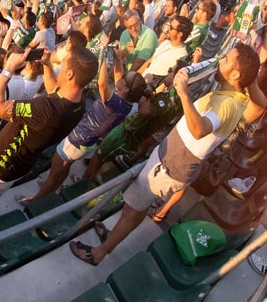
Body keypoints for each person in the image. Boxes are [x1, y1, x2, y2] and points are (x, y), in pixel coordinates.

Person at [73, 44, 264, 265]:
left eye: (227, 60)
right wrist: (249, 80)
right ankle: (111, 238)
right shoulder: (236, 97)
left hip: (170, 165)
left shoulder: (228, 104)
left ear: (235, 74)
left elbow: (199, 129)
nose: (220, 60)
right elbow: (260, 102)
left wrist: (183, 93)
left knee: (132, 208)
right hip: (172, 162)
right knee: (137, 207)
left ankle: (99, 252)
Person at [0, 45, 99, 229]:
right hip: (19, 166)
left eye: (63, 66)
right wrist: (47, 64)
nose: (60, 68)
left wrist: (8, 69)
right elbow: (55, 91)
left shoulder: (44, 109)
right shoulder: (78, 104)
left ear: (70, 74)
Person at [21, 56, 146, 203]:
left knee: (53, 174)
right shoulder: (126, 103)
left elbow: (101, 84)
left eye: (126, 77)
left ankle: (34, 200)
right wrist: (118, 56)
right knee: (64, 167)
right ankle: (54, 188)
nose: (122, 75)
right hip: (85, 143)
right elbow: (119, 75)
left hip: (76, 140)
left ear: (126, 88)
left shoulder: (115, 103)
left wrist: (105, 58)